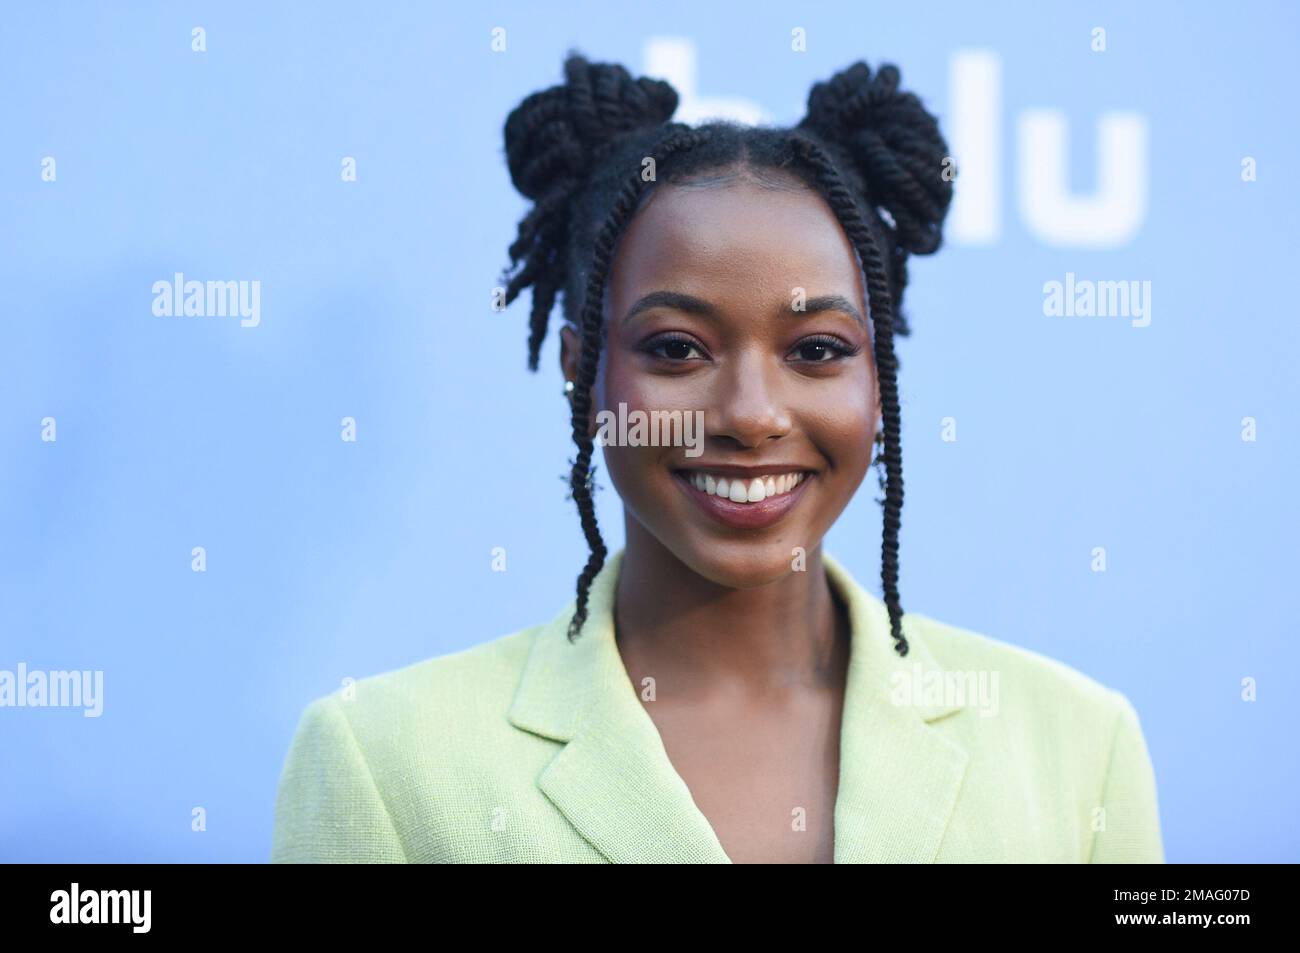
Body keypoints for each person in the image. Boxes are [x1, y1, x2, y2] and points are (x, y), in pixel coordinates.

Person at [271, 52, 1164, 863]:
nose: (750, 414)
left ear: (879, 384)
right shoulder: (388, 766)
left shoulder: (1078, 750)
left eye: (816, 350)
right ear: (585, 375)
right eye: (676, 349)